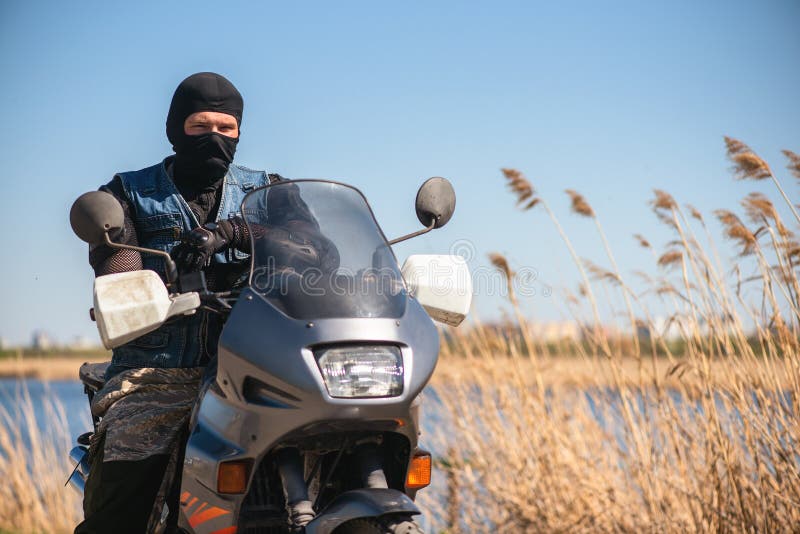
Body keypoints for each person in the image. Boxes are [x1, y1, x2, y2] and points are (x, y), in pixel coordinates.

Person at [75, 72, 274, 534]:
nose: (214, 137)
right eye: (200, 126)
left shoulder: (266, 190)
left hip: (255, 369)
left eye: (226, 128)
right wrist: (162, 284)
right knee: (125, 491)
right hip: (158, 372)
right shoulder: (127, 193)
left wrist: (232, 232)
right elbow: (117, 264)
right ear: (175, 128)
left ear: (239, 131)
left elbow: (308, 240)